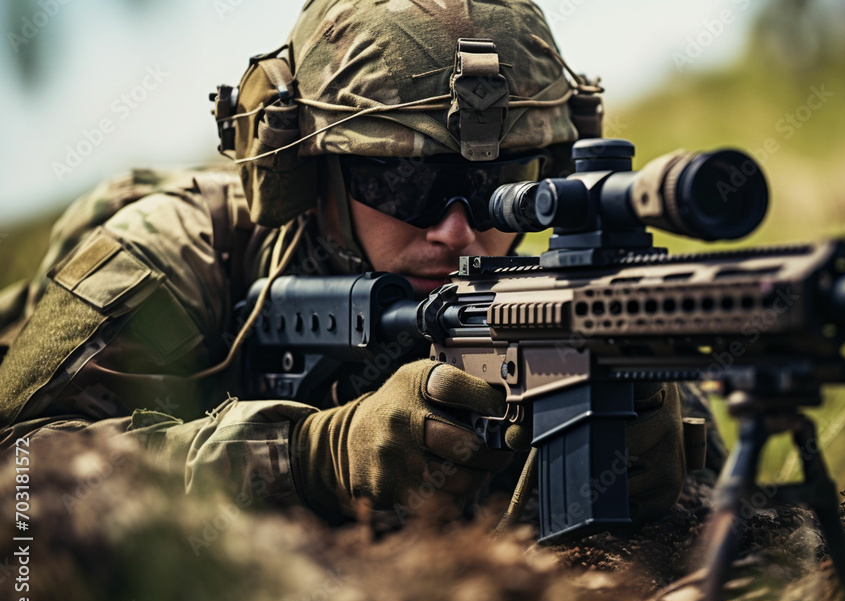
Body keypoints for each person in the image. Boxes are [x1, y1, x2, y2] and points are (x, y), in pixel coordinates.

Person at [0, 0, 721, 528]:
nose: (459, 229)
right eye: (405, 182)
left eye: (504, 184)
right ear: (309, 175)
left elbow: (712, 483)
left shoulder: (550, 306)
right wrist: (312, 455)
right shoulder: (181, 250)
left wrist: (658, 454)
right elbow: (20, 472)